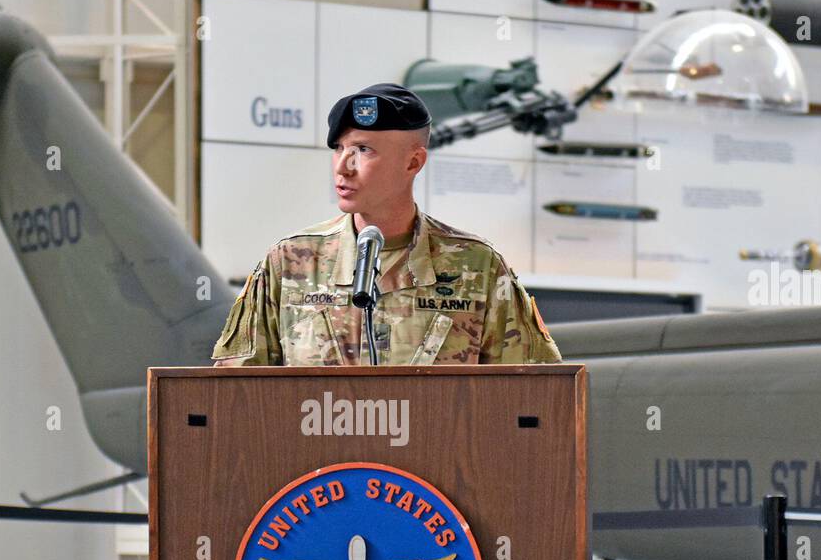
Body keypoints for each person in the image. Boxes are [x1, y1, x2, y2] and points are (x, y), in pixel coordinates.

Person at [211, 83, 562, 366]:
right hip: (319, 456)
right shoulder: (290, 263)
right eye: (339, 148)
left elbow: (532, 394)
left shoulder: (476, 267)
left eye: (363, 150)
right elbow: (236, 396)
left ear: (413, 162)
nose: (342, 167)